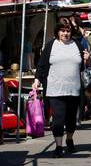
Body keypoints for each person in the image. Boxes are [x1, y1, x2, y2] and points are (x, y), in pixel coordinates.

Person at [35, 17, 85, 156]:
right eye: (62, 31)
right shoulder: (51, 45)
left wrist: (85, 60)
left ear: (71, 31)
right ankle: (58, 146)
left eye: (67, 31)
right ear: (57, 32)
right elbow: (42, 64)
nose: (65, 33)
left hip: (73, 88)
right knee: (58, 119)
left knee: (70, 120)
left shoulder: (77, 45)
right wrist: (37, 79)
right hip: (55, 88)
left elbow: (81, 67)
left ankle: (69, 139)